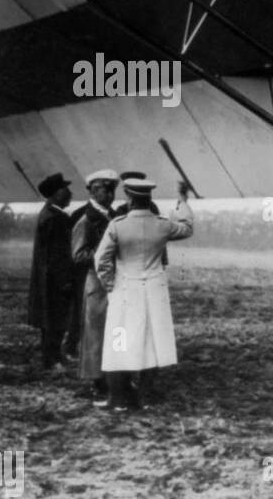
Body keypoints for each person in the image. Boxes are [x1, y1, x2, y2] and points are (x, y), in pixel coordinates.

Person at [94, 178, 194, 410]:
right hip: (153, 291)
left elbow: (101, 259)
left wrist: (110, 284)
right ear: (149, 199)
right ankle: (146, 396)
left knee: (119, 341)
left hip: (125, 291)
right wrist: (182, 201)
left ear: (128, 198)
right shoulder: (162, 225)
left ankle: (118, 399)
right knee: (152, 341)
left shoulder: (117, 225)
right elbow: (187, 228)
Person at [71, 169, 119, 397]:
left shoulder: (112, 215)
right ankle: (96, 380)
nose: (108, 194)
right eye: (102, 189)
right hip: (97, 284)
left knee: (114, 330)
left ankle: (113, 375)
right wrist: (104, 254)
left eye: (111, 190)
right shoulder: (87, 219)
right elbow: (78, 255)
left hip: (113, 282)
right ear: (91, 191)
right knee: (96, 334)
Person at [27, 172, 75, 372]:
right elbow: (57, 254)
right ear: (55, 194)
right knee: (54, 319)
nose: (69, 193)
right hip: (54, 279)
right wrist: (65, 279)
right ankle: (51, 360)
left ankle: (55, 356)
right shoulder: (55, 218)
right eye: (65, 190)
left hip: (49, 278)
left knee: (53, 319)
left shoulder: (49, 214)